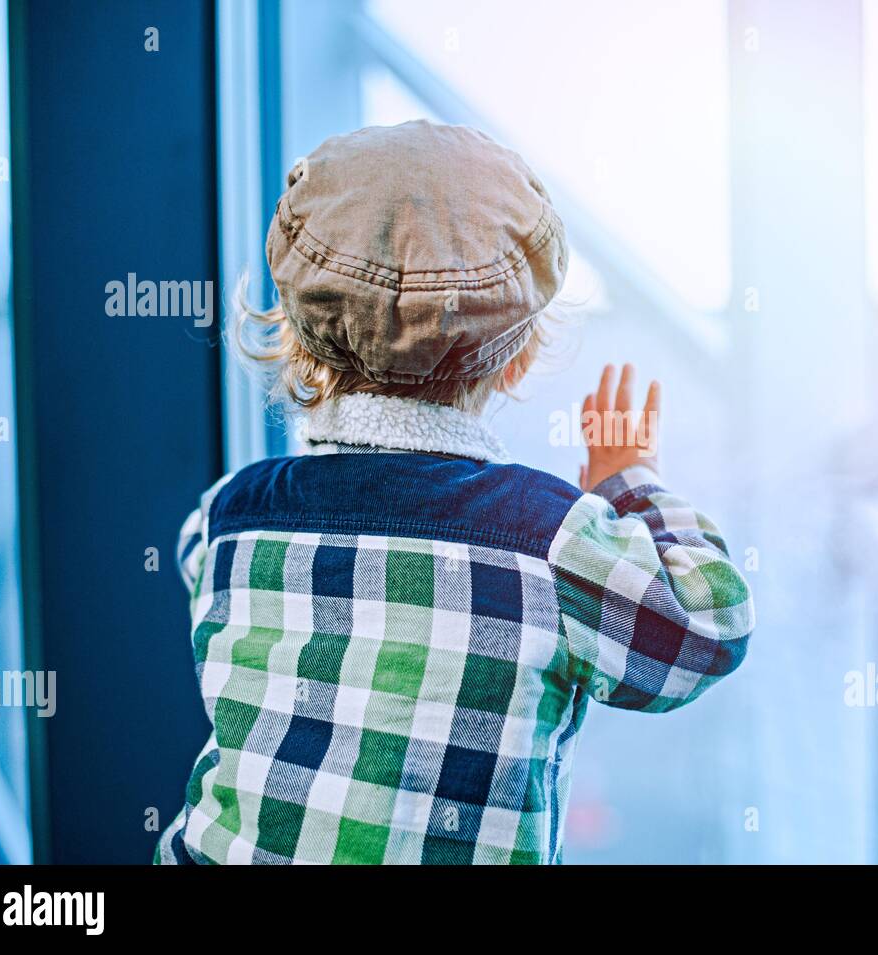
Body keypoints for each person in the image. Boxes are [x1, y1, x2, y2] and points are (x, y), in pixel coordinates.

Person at [156, 121, 754, 865]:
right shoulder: (547, 542)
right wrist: (627, 480)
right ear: (518, 357)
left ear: (298, 335)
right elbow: (707, 629)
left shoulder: (225, 518)